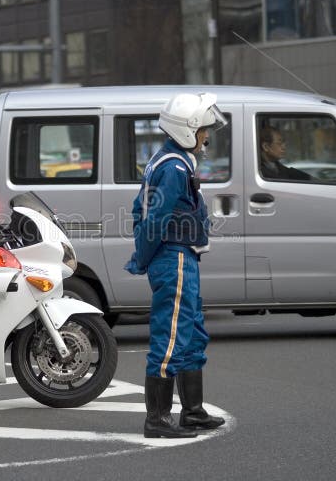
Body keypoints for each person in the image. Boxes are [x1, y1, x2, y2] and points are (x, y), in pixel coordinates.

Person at [125, 92, 227, 438]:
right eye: (203, 130)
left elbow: (140, 209)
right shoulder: (173, 167)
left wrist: (144, 255)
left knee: (191, 334)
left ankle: (193, 412)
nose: (207, 137)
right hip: (175, 256)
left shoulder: (167, 161)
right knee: (171, 338)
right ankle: (157, 420)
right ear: (187, 131)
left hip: (180, 255)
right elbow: (153, 217)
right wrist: (144, 256)